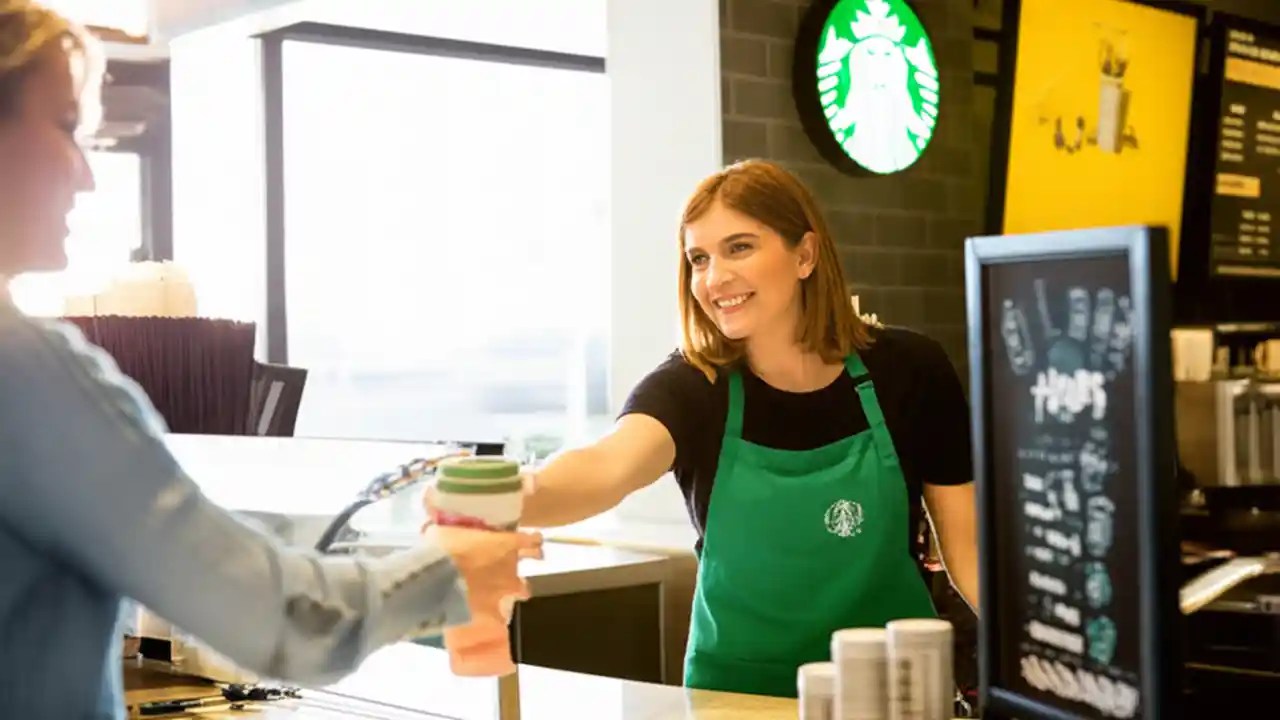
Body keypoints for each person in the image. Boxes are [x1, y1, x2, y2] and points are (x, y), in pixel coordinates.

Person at [0, 4, 540, 718]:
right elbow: (283, 621)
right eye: (66, 127)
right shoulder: (26, 373)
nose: (88, 176)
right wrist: (452, 568)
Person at [496, 159, 979, 697]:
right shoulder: (693, 387)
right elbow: (610, 467)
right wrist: (500, 496)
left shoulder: (911, 371)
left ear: (805, 255)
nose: (714, 278)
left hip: (895, 695)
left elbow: (970, 557)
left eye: (739, 248)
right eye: (698, 258)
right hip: (737, 699)